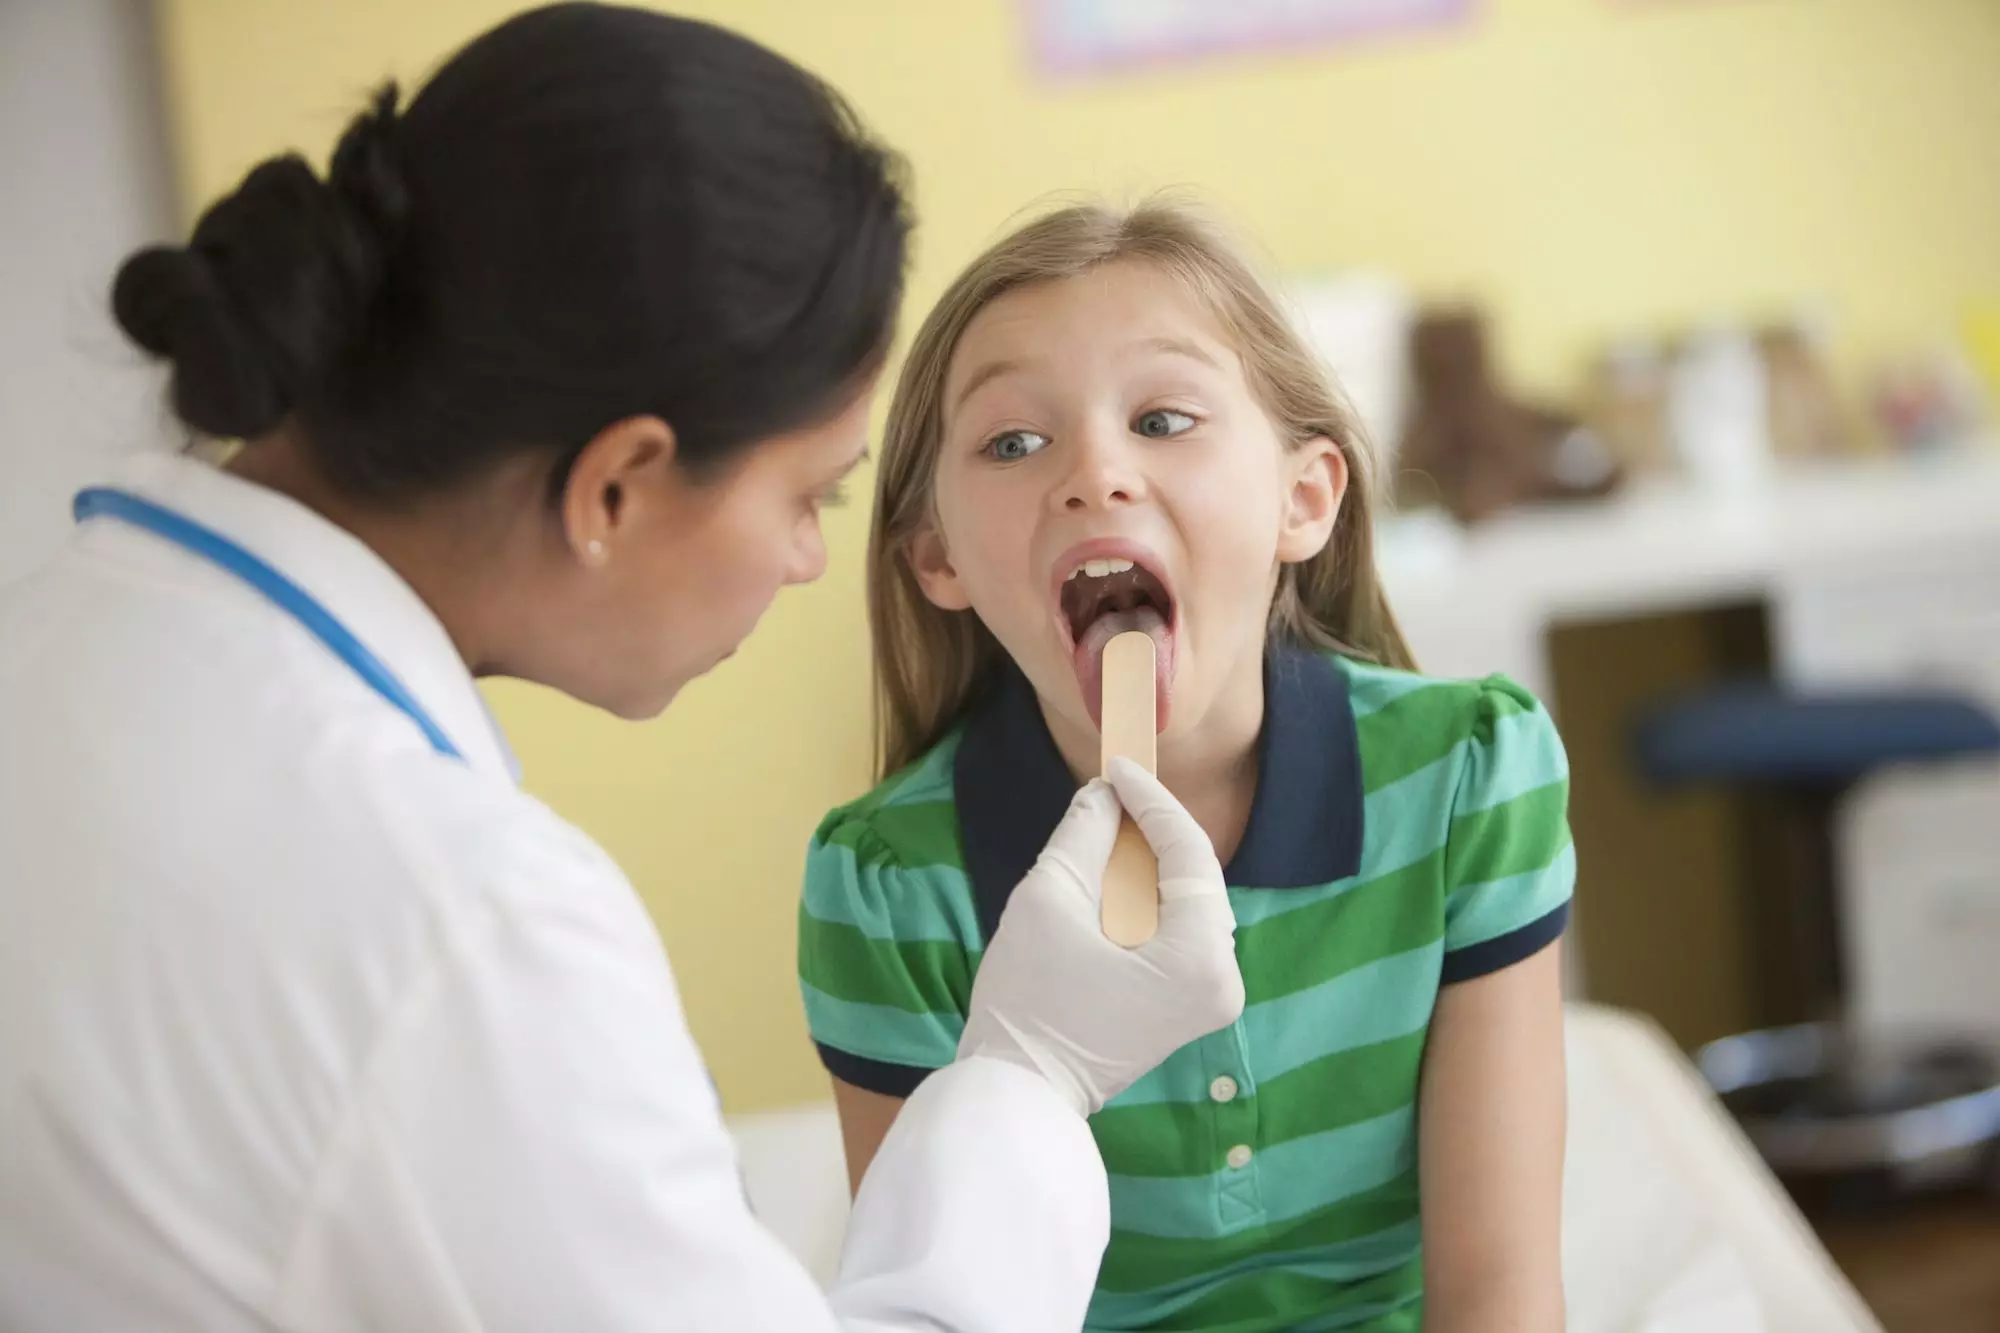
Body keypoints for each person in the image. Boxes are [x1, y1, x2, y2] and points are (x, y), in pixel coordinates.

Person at [0, 10, 1247, 1332]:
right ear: (617, 486)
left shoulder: (59, 650)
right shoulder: (468, 929)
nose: (805, 565)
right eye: (811, 499)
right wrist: (1032, 1075)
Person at [798, 200, 1572, 1332]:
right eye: (1014, 441)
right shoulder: (884, 888)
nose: (1094, 473)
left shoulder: (1467, 779)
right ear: (938, 558)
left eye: (1162, 417)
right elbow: (957, 1290)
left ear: (1299, 501)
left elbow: (1497, 1288)